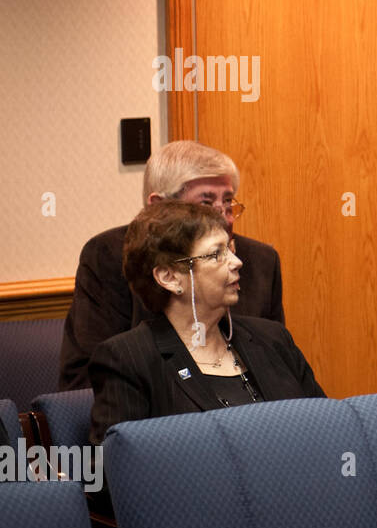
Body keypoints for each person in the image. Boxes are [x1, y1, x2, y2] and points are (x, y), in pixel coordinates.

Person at [88, 200, 324, 450]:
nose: (236, 262)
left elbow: (327, 426)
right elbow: (110, 472)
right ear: (169, 277)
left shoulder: (272, 339)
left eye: (230, 249)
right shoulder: (128, 360)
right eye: (216, 254)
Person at [58, 140, 285, 390]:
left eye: (228, 201)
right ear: (158, 206)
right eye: (206, 204)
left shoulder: (260, 261)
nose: (224, 218)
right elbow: (86, 380)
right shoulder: (109, 256)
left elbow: (278, 367)